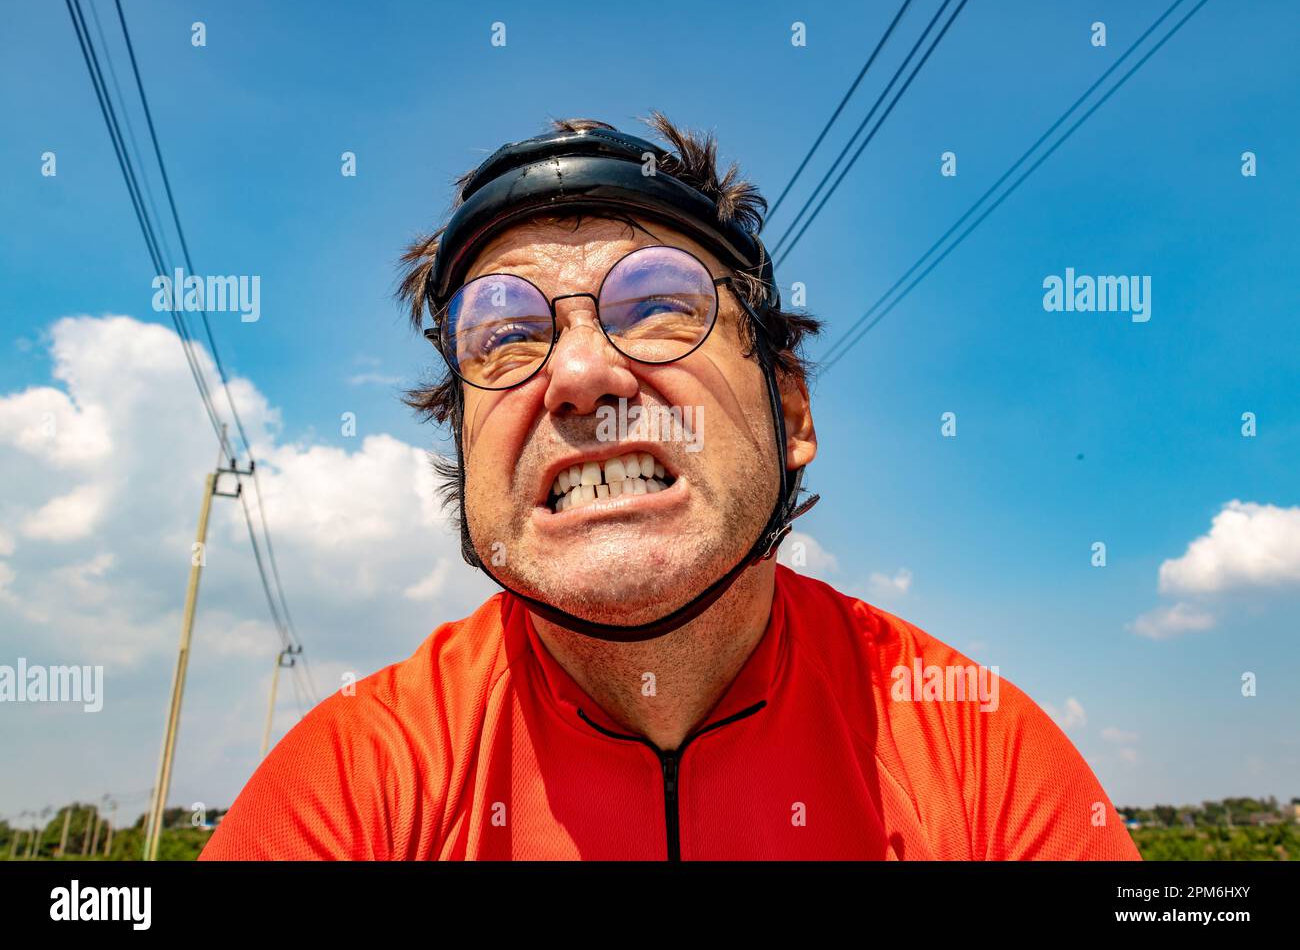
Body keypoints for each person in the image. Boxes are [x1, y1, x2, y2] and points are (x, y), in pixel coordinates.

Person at [201, 113, 1140, 860]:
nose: (578, 376)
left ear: (792, 414)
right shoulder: (353, 779)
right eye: (505, 335)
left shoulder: (980, 756)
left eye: (656, 305)